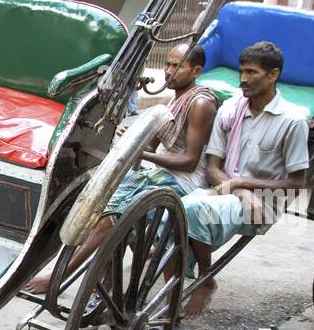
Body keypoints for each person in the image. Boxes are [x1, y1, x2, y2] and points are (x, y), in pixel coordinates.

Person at [26, 42, 219, 301]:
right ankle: (103, 282)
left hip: (184, 179)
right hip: (160, 171)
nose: (169, 71)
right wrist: (133, 137)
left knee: (113, 216)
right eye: (168, 64)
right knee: (98, 199)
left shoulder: (200, 103)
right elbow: (152, 143)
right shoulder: (176, 99)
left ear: (196, 70)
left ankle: (58, 277)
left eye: (178, 66)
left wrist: (141, 152)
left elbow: (190, 161)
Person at [179, 40, 309, 316]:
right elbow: (212, 167)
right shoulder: (230, 110)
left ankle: (204, 278)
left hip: (262, 204)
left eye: (252, 72)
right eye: (242, 71)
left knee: (191, 210)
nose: (243, 79)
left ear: (273, 75)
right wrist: (237, 188)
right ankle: (168, 293)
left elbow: (297, 182)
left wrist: (241, 185)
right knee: (165, 210)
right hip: (226, 190)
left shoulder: (292, 121)